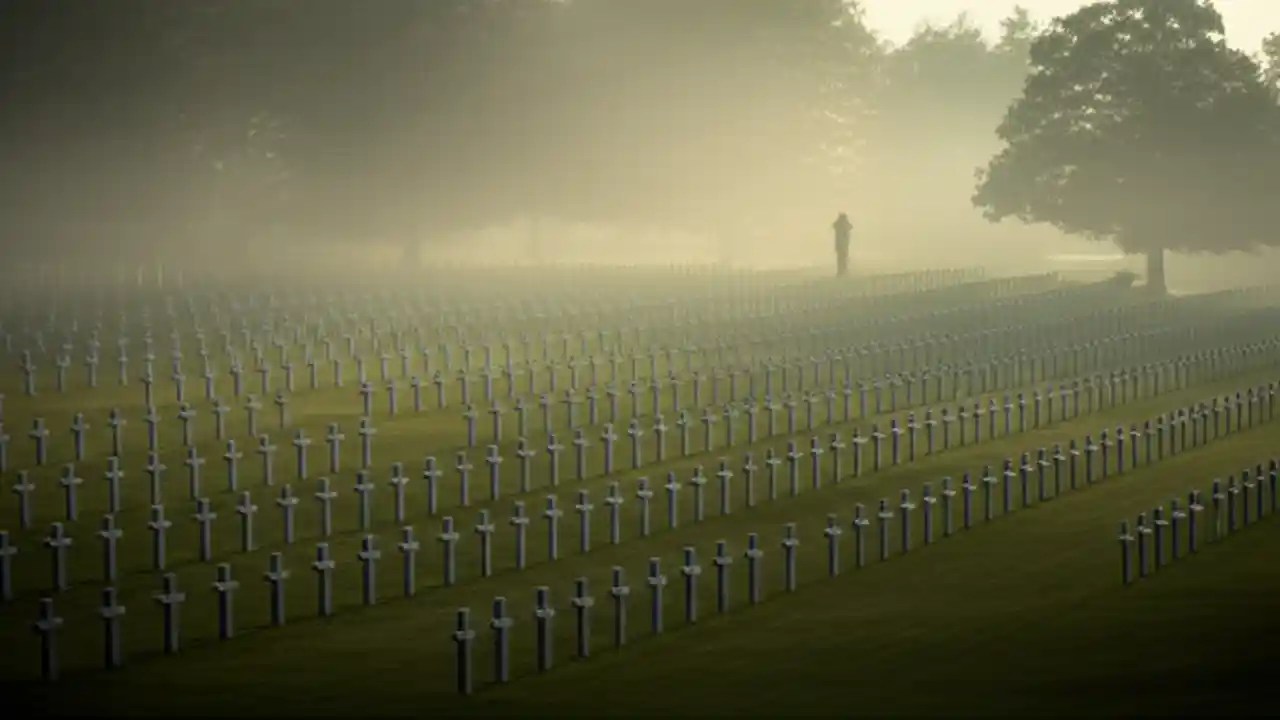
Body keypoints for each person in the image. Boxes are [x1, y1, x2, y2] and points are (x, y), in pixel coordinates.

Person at [833, 212, 853, 277]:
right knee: (843, 258)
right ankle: (843, 271)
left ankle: (841, 271)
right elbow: (850, 227)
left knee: (840, 258)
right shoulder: (843, 225)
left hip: (840, 245)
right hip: (843, 245)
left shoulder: (838, 225)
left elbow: (850, 227)